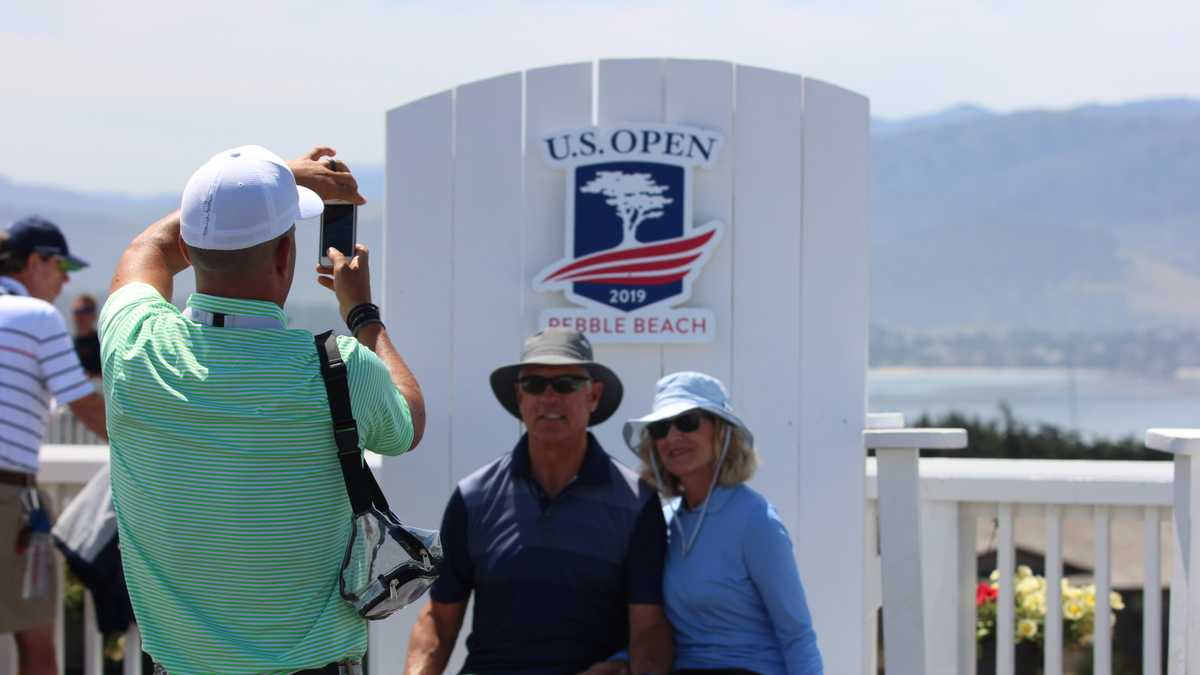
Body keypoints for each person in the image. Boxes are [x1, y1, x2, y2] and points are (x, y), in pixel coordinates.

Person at [99, 145, 426, 674]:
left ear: (189, 245)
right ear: (285, 257)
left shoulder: (135, 345)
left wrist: (270, 180)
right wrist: (363, 315)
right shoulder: (338, 367)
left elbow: (149, 247)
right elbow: (408, 421)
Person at [404, 328, 673, 675]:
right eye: (533, 384)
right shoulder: (473, 498)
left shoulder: (637, 503)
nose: (549, 397)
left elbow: (649, 630)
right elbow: (439, 621)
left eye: (565, 383)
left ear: (593, 395)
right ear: (519, 396)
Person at [623, 372, 822, 675]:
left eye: (688, 422)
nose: (673, 436)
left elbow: (796, 634)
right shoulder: (665, 521)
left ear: (721, 433)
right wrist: (616, 659)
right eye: (661, 428)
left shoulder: (756, 521)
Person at [0, 215, 108, 675]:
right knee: (38, 642)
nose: (64, 281)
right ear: (35, 261)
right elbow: (85, 406)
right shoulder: (36, 317)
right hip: (8, 495)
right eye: (61, 266)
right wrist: (154, 443)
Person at [71, 294, 102, 378]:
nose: (81, 316)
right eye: (77, 311)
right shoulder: (68, 345)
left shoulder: (103, 344)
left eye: (86, 310)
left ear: (94, 315)